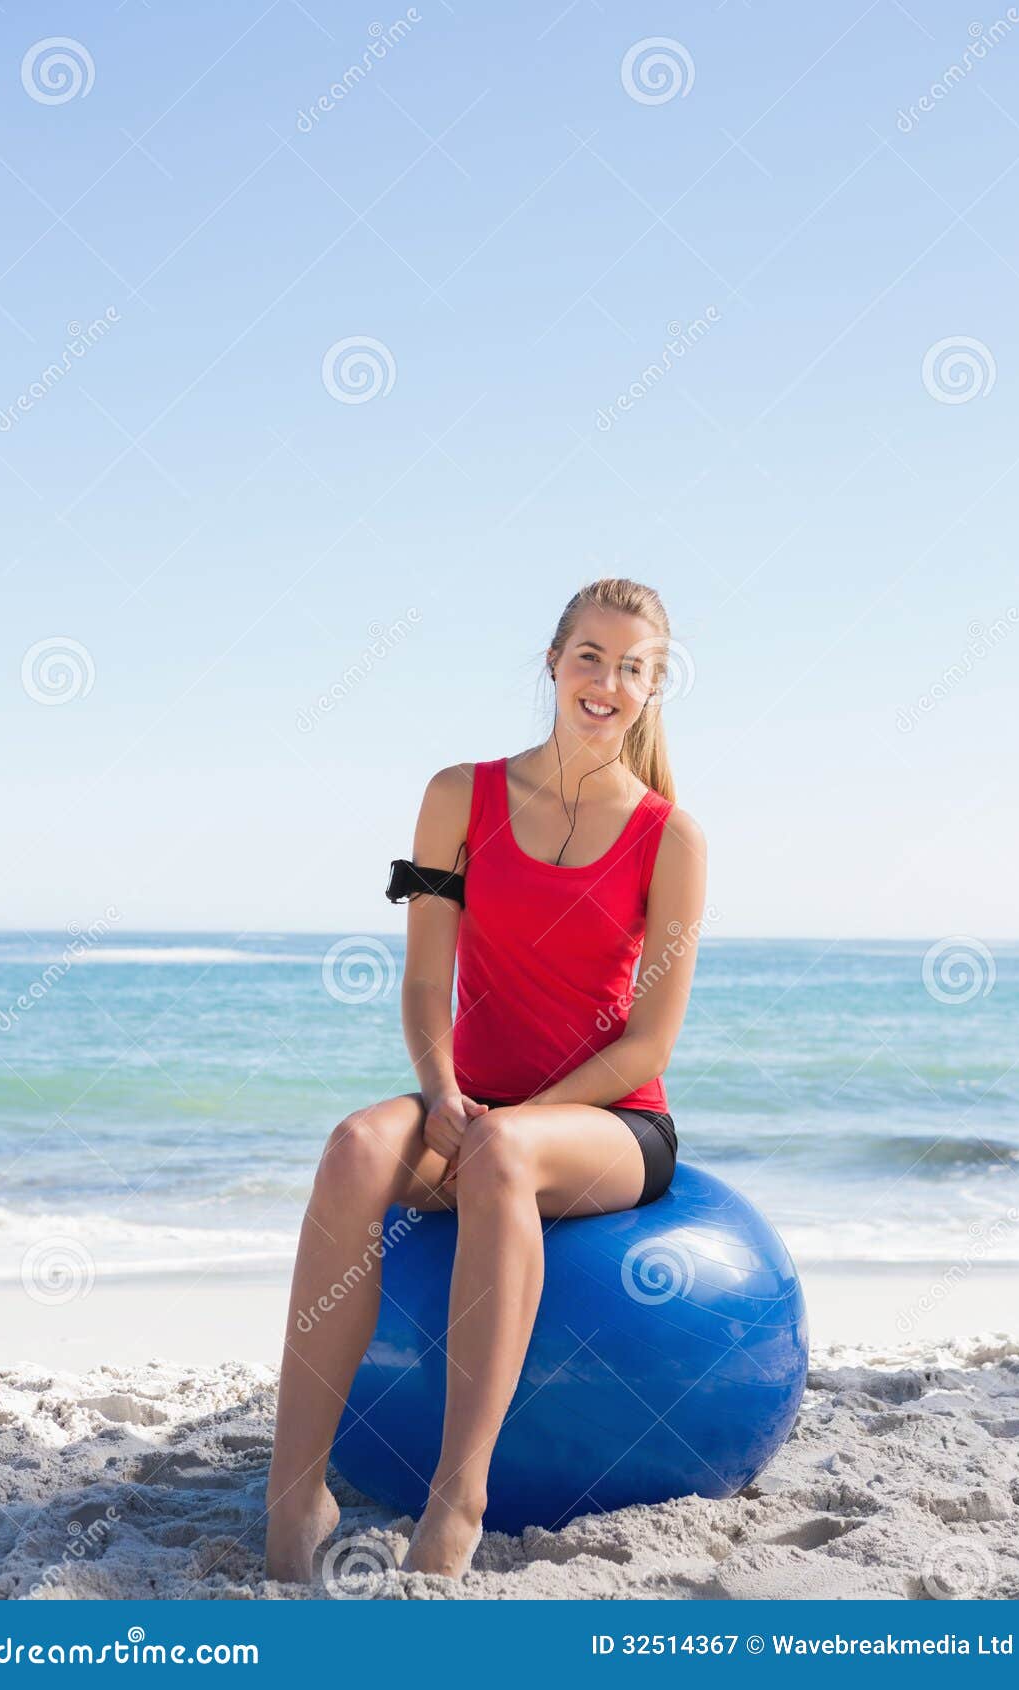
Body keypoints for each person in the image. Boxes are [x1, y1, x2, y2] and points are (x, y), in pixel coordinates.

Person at [264, 577, 707, 1583]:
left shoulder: (669, 836)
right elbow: (426, 979)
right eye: (588, 655)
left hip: (609, 1124)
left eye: (631, 667)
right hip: (472, 1102)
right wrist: (442, 1094)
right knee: (355, 1146)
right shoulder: (458, 796)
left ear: (653, 688)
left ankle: (456, 1501)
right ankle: (295, 1495)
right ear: (552, 661)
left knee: (505, 1149)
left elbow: (648, 1045)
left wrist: (509, 1124)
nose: (605, 681)